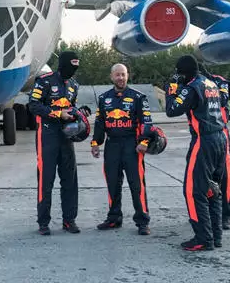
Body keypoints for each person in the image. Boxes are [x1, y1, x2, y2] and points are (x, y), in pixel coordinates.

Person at [166, 55, 227, 251]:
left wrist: (172, 89)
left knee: (193, 191)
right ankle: (215, 236)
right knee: (213, 189)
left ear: (184, 72)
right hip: (220, 138)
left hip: (204, 141)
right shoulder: (211, 83)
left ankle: (203, 238)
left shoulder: (192, 87)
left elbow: (172, 109)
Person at [91, 64, 153, 235]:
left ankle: (142, 221)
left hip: (132, 145)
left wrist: (144, 141)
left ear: (128, 75)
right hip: (112, 146)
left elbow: (146, 122)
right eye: (117, 75)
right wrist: (95, 143)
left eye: (123, 75)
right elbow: (99, 123)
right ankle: (114, 218)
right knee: (112, 183)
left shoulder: (139, 97)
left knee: (137, 184)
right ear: (111, 77)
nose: (121, 78)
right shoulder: (104, 98)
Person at [27, 50, 82, 235]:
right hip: (47, 137)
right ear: (64, 64)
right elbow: (33, 105)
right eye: (71, 66)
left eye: (76, 67)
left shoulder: (74, 84)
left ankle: (69, 220)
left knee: (70, 180)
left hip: (67, 138)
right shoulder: (44, 81)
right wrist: (58, 114)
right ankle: (43, 223)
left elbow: (71, 106)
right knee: (46, 180)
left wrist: (79, 112)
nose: (73, 70)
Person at [200, 63, 230, 230]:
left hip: (220, 132)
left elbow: (223, 99)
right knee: (202, 176)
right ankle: (206, 213)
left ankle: (226, 215)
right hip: (202, 135)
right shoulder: (192, 84)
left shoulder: (220, 82)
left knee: (225, 176)